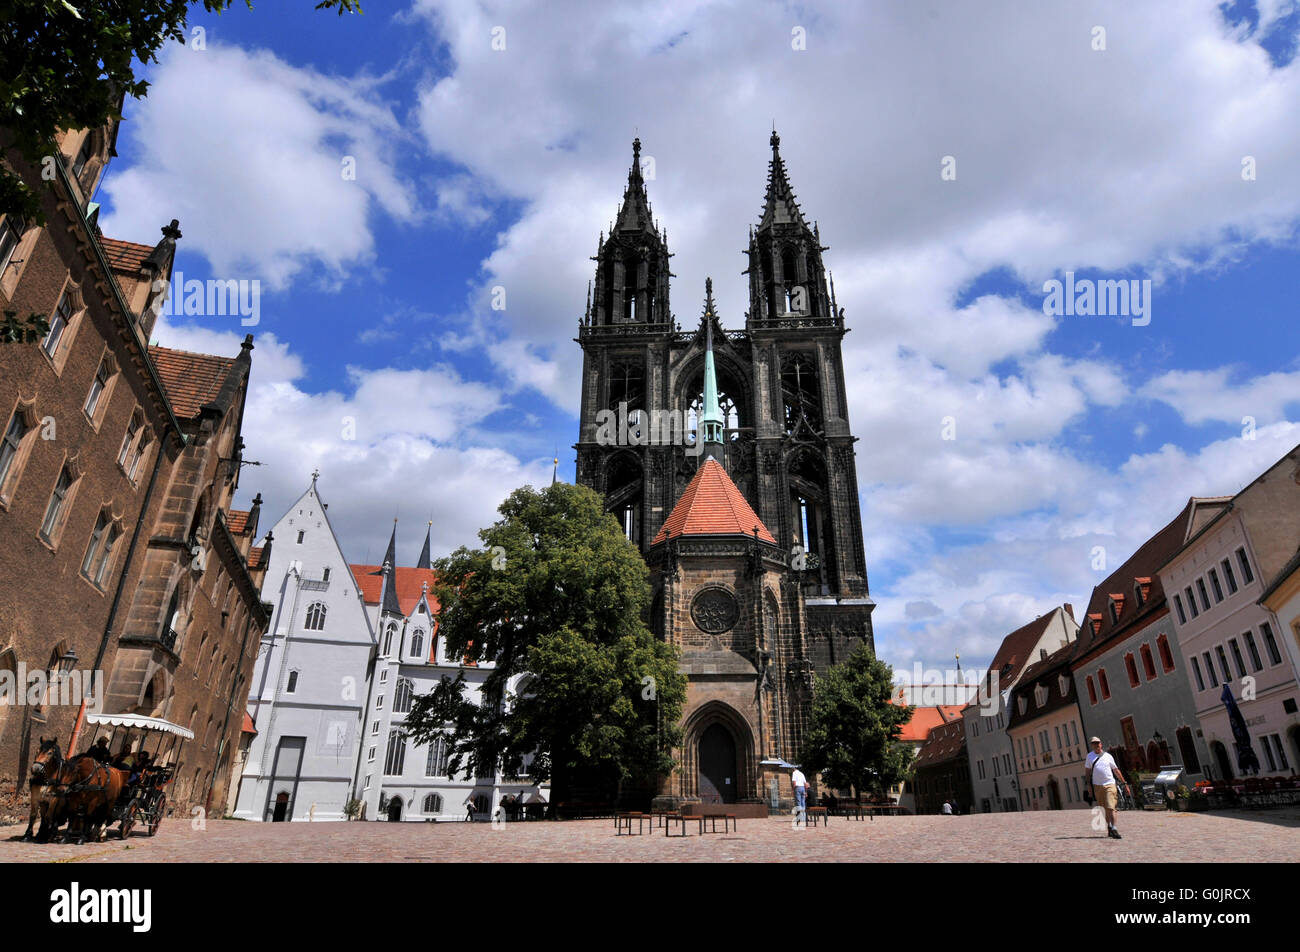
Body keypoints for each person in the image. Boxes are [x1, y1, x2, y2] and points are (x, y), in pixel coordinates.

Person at [1086, 736, 1128, 840]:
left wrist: (1124, 783)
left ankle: (1114, 828)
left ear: (1101, 744)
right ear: (1092, 745)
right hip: (1097, 785)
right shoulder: (1089, 757)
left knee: (1111, 806)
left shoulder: (1108, 756)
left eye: (1097, 743)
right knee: (1104, 809)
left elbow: (1116, 770)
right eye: (1094, 743)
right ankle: (1109, 826)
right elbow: (1087, 772)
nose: (1096, 745)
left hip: (1110, 784)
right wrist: (1089, 786)